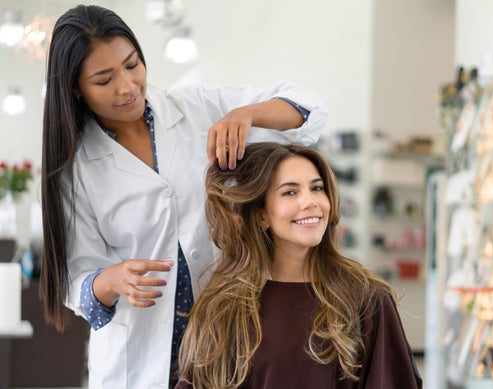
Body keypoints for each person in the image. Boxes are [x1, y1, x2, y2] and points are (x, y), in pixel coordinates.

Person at [39, 5, 327, 389]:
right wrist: (110, 280)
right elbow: (76, 278)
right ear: (76, 88)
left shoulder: (195, 108)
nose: (126, 87)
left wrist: (247, 114)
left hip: (223, 337)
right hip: (138, 360)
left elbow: (309, 110)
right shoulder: (74, 169)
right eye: (104, 79)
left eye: (132, 65)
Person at [175, 142, 423, 389]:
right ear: (262, 215)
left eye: (317, 188)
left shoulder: (367, 299)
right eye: (290, 192)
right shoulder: (224, 303)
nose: (311, 201)